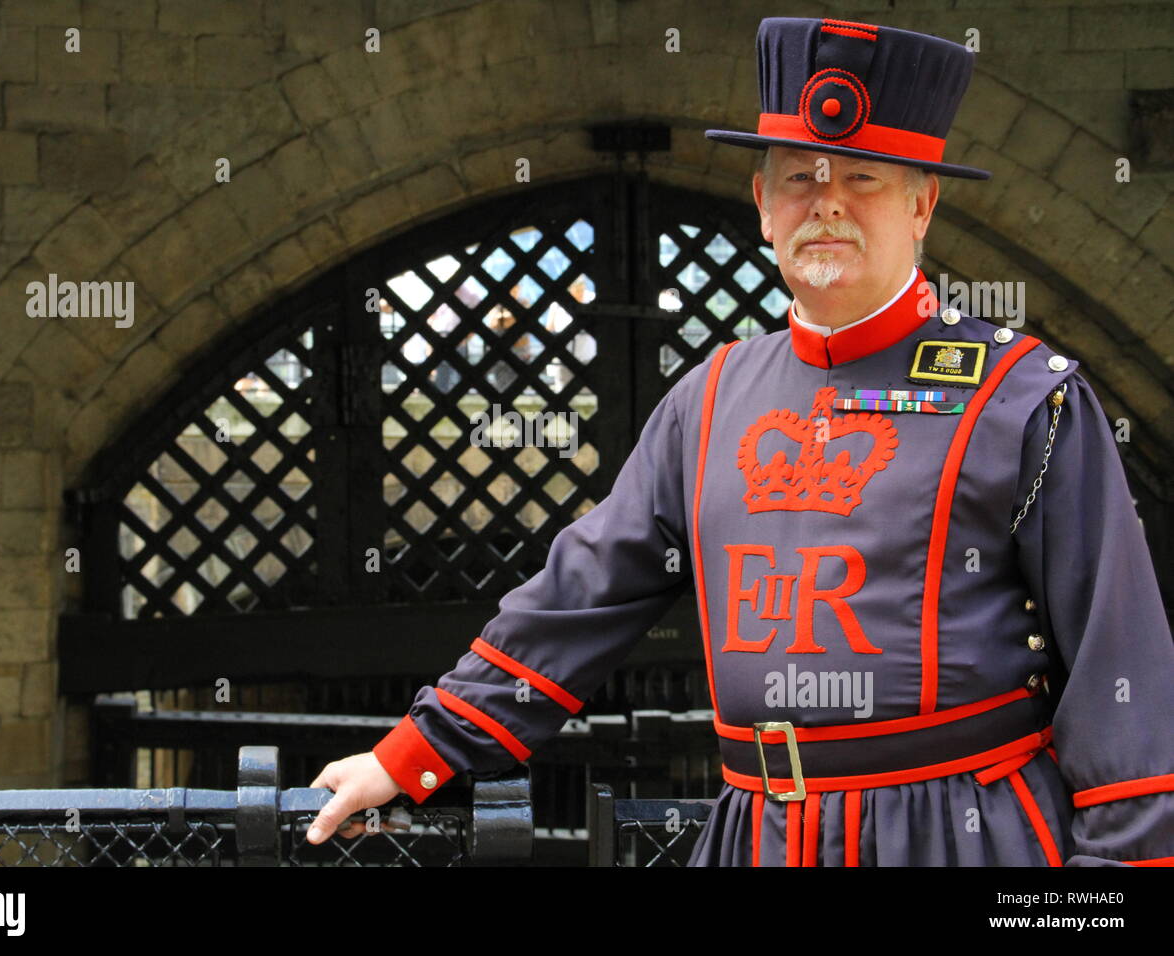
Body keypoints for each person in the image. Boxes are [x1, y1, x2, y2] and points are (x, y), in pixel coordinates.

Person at [307, 16, 1174, 864]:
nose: (826, 203)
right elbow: (585, 592)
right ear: (762, 205)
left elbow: (1119, 661)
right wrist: (410, 753)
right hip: (752, 832)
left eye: (864, 178)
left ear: (922, 204)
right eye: (799, 176)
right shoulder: (711, 398)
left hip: (959, 830)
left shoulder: (1025, 398)